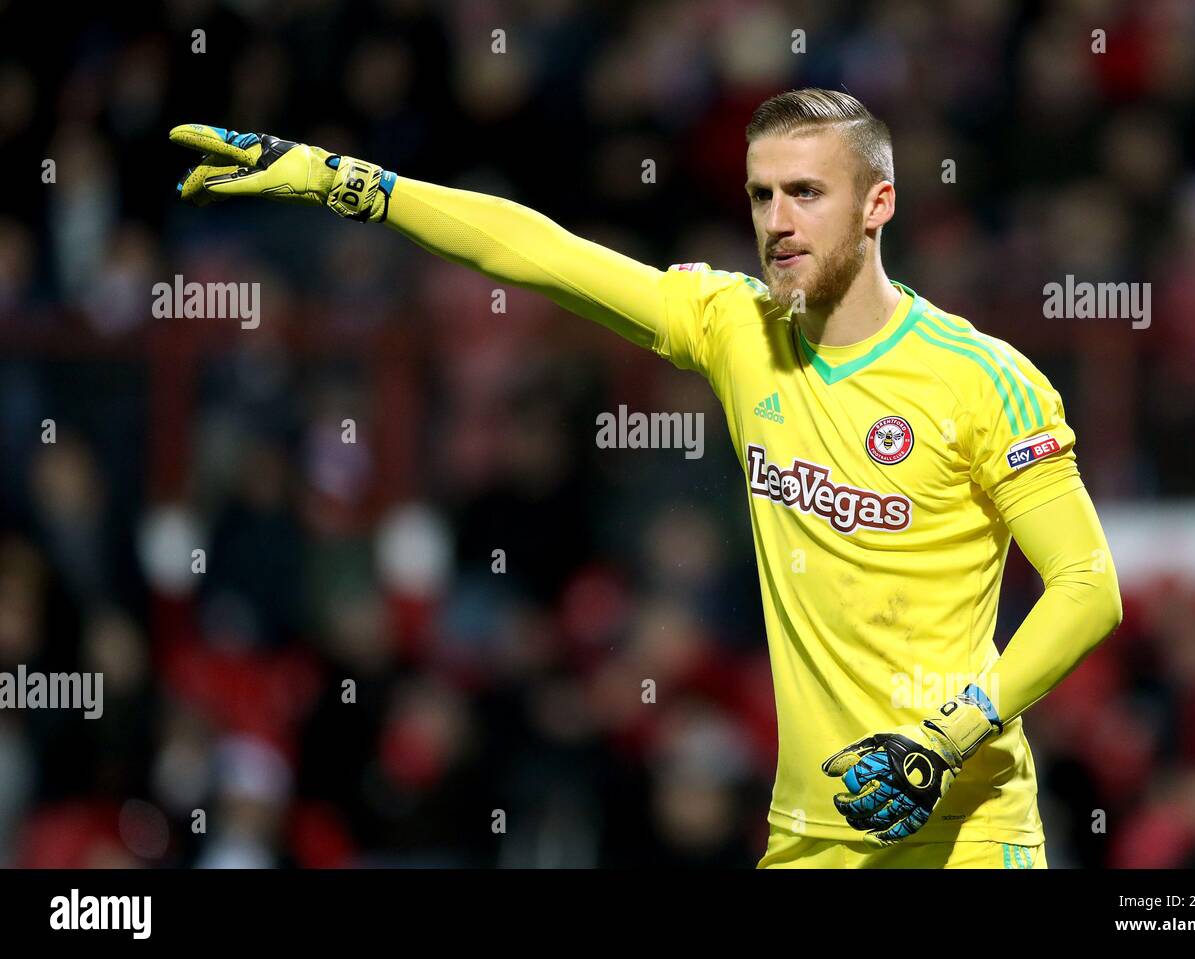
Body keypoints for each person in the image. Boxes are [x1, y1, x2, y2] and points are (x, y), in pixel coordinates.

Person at [169, 87, 1122, 868]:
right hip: (811, 831)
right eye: (760, 197)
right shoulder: (733, 328)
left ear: (878, 204)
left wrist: (945, 737)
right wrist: (346, 182)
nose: (778, 224)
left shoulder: (983, 380)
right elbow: (536, 252)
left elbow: (1089, 587)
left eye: (805, 193)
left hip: (965, 829)